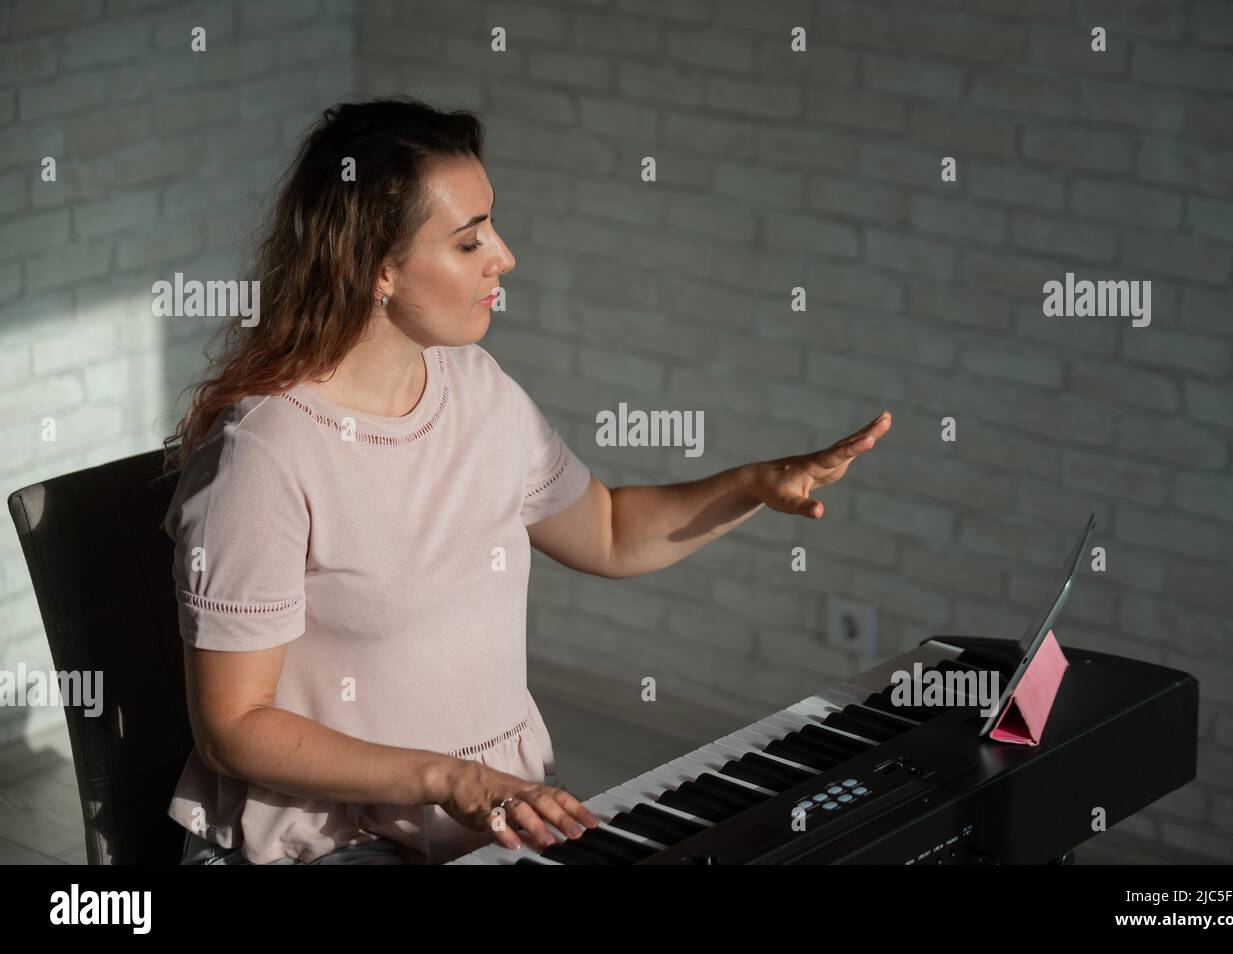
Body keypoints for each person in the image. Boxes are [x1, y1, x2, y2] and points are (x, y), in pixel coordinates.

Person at [161, 96, 893, 865]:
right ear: (377, 269)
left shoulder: (479, 389)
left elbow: (608, 531)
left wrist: (758, 482)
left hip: (484, 819)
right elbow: (232, 726)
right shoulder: (266, 453)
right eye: (470, 240)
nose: (503, 256)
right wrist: (453, 779)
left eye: (492, 228)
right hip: (330, 844)